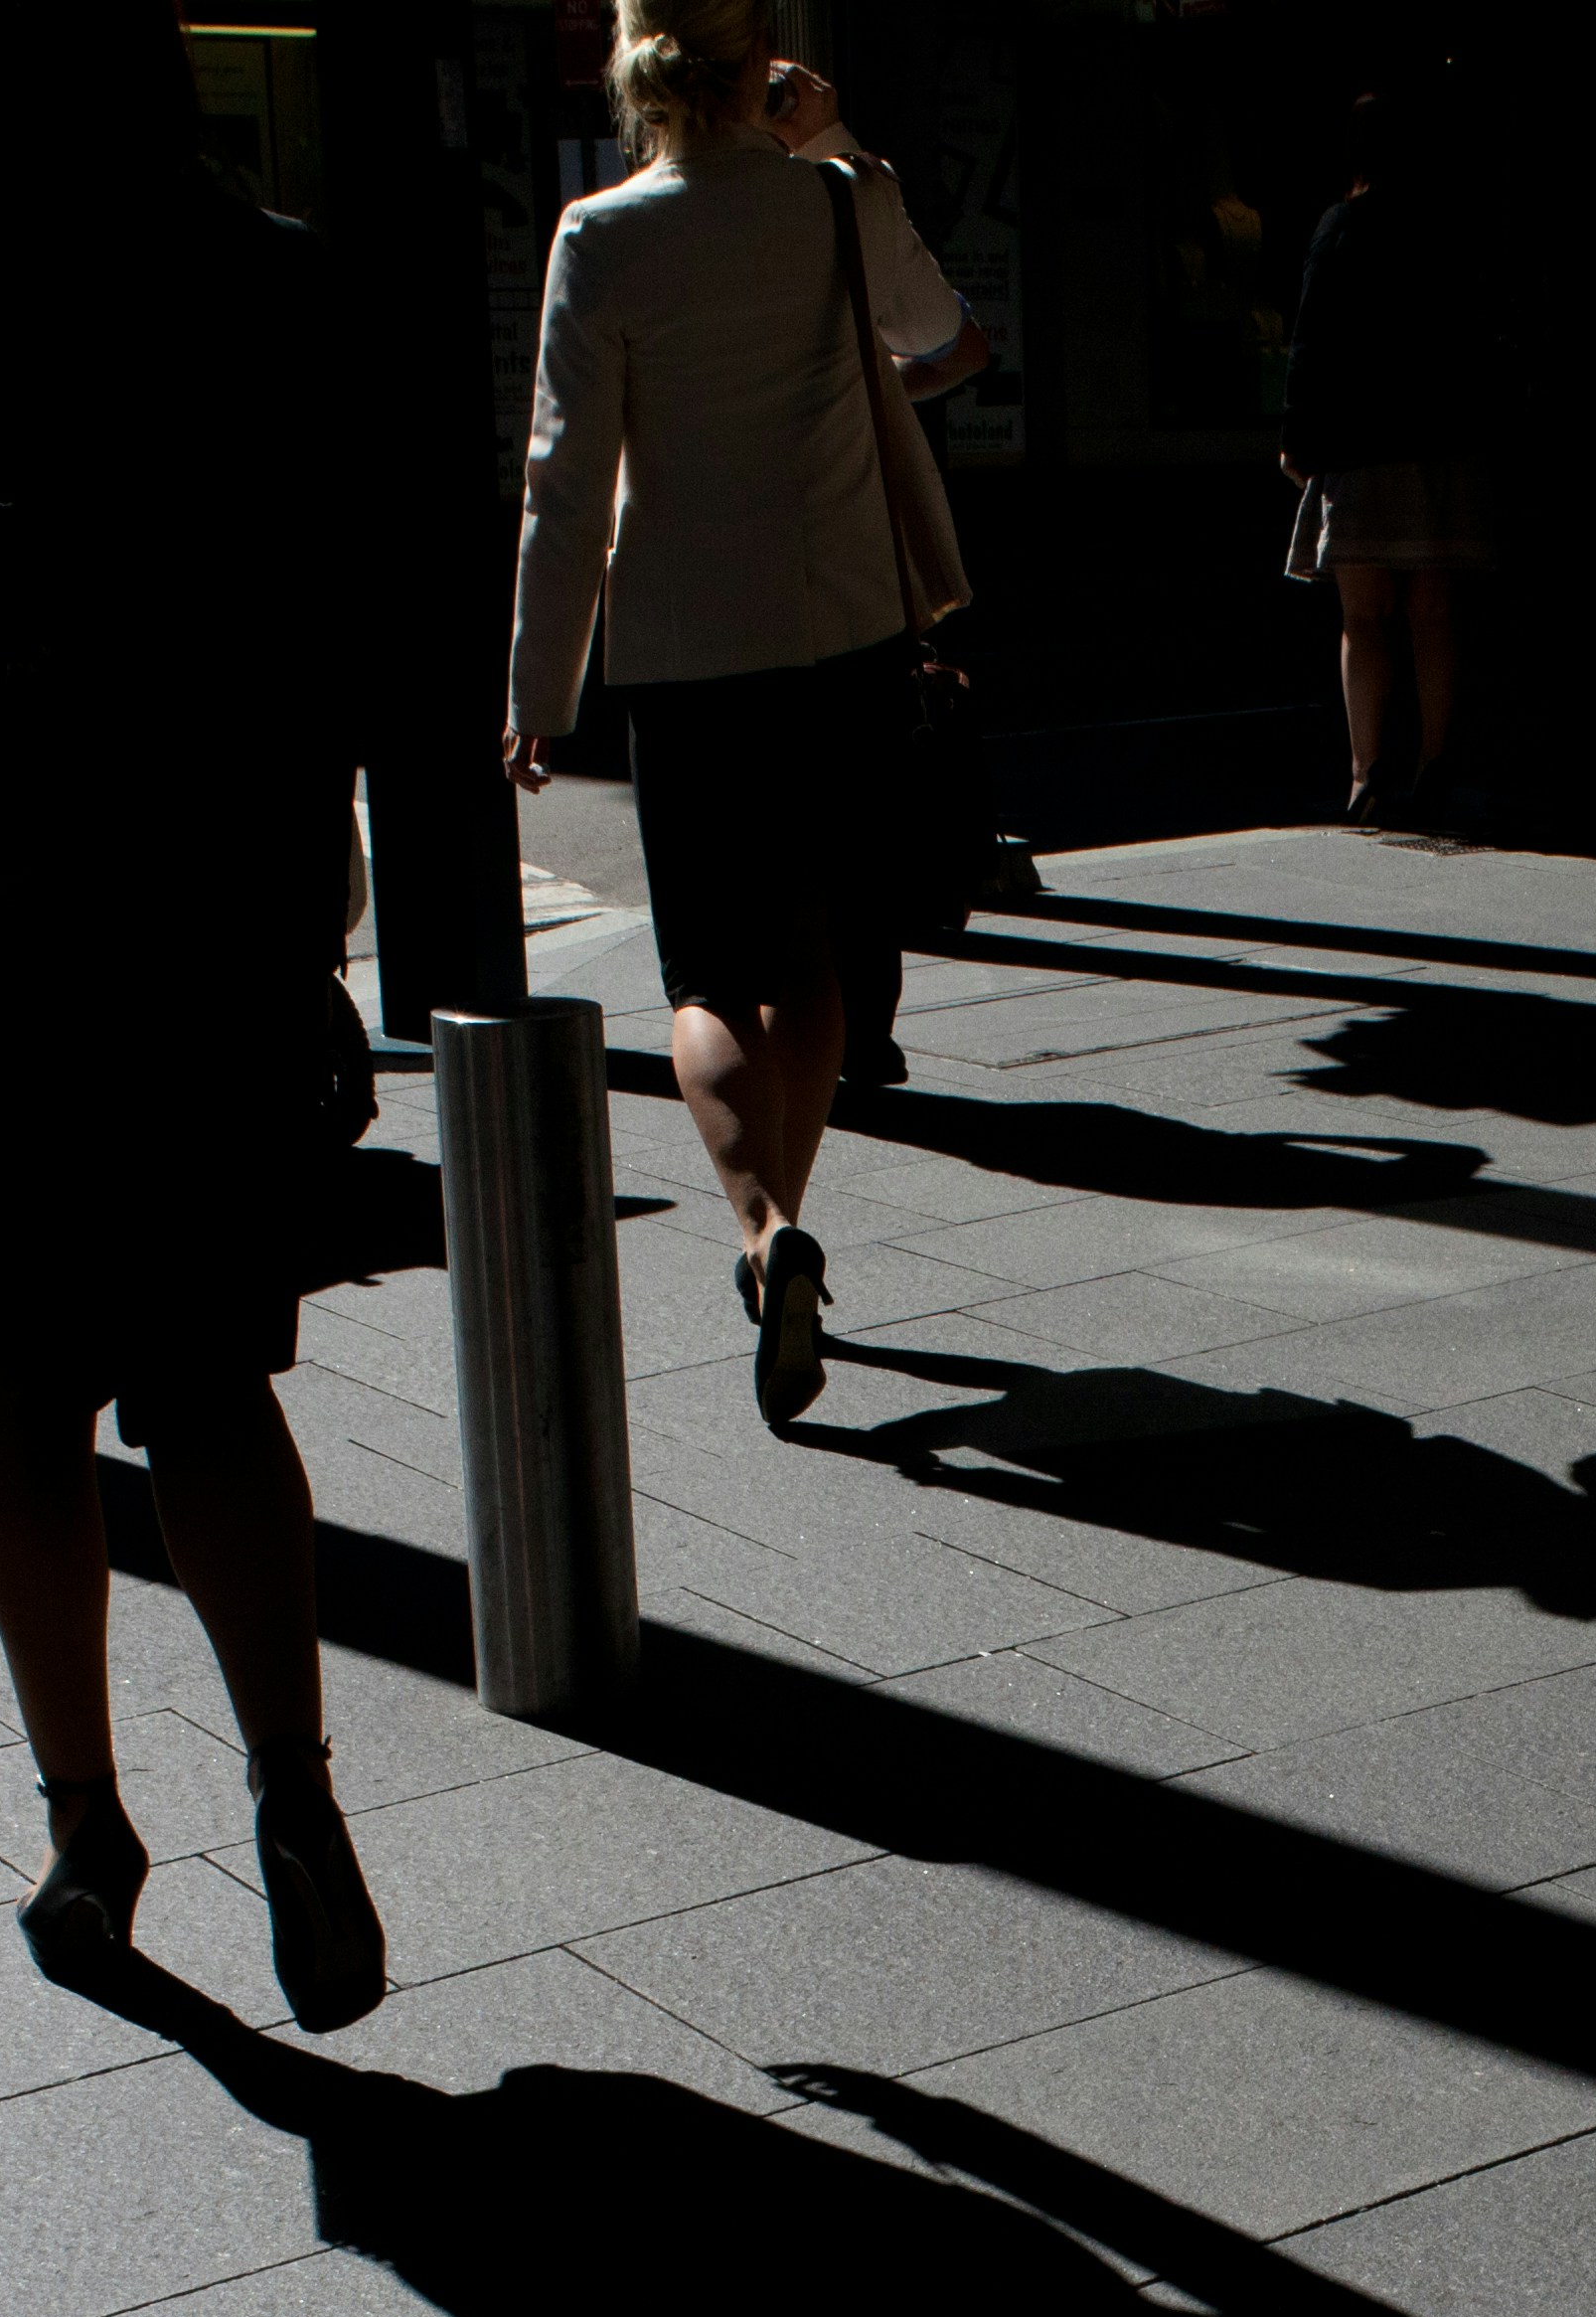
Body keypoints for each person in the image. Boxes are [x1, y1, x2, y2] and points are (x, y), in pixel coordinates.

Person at [0, 0, 389, 2031]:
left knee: (19, 1396)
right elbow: (324, 646)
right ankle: (296, 1791)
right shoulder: (263, 271)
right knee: (208, 1381)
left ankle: (89, 1827)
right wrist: (309, 945)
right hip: (200, 906)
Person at [506, 0, 970, 1426]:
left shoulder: (602, 234)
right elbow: (942, 338)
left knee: (708, 973)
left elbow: (565, 481)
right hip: (841, 632)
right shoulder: (836, 200)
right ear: (759, 69)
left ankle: (765, 1231)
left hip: (684, 654)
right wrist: (829, 138)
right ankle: (791, 1248)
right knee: (813, 962)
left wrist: (535, 689)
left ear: (638, 81)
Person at [752, 53, 992, 1097]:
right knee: (859, 814)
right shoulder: (841, 197)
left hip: (726, 579)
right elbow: (952, 339)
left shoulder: (634, 220)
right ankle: (864, 1040)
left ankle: (779, 1044)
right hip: (852, 562)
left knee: (758, 827)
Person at [1277, 84, 1482, 826]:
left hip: (1358, 449)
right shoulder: (1450, 231)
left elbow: (1310, 342)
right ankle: (1437, 762)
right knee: (1433, 608)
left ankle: (1366, 776)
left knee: (1363, 618)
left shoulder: (1340, 230)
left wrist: (1297, 439)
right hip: (1435, 446)